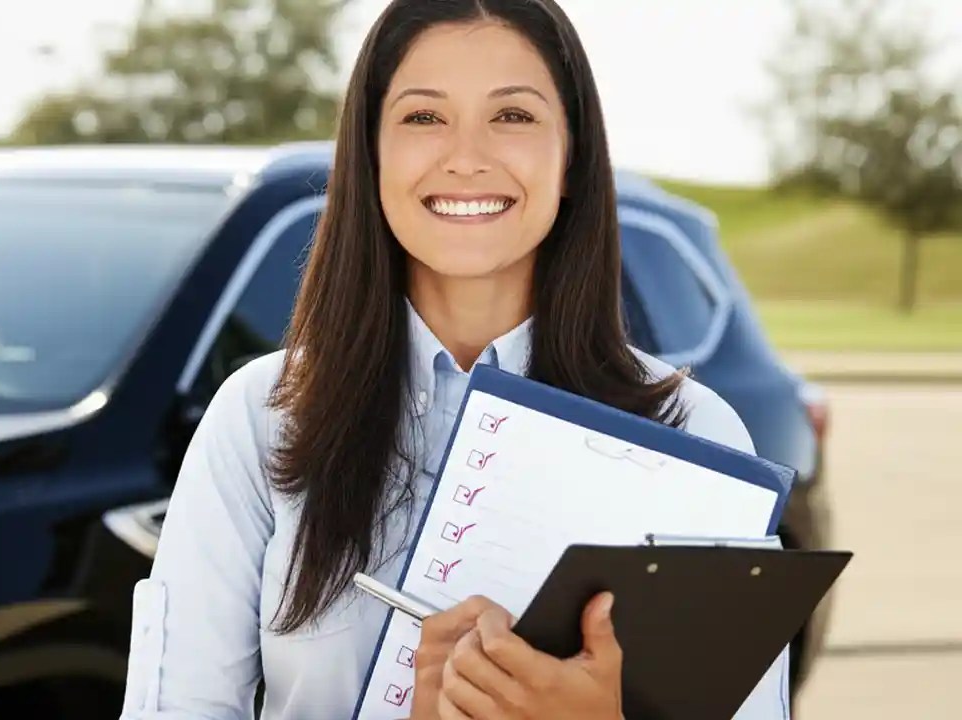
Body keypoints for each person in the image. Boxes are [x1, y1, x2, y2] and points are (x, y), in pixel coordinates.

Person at [120, 0, 791, 718]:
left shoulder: (693, 436)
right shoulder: (262, 416)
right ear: (370, 156)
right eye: (422, 117)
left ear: (572, 160)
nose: (466, 156)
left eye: (512, 116)